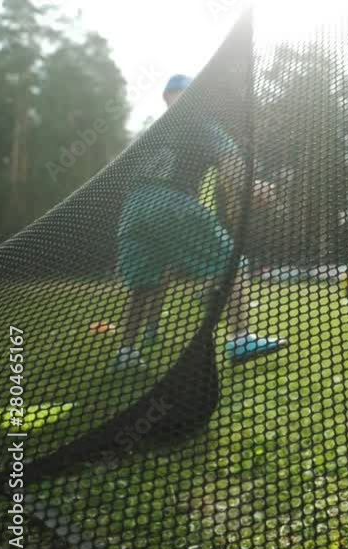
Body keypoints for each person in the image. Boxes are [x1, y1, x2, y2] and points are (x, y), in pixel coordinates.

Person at [114, 75, 287, 369]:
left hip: (133, 210)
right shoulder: (203, 125)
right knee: (231, 263)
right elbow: (231, 164)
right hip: (171, 204)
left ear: (166, 97)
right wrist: (253, 188)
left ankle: (126, 353)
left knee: (145, 284)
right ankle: (241, 339)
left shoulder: (152, 132)